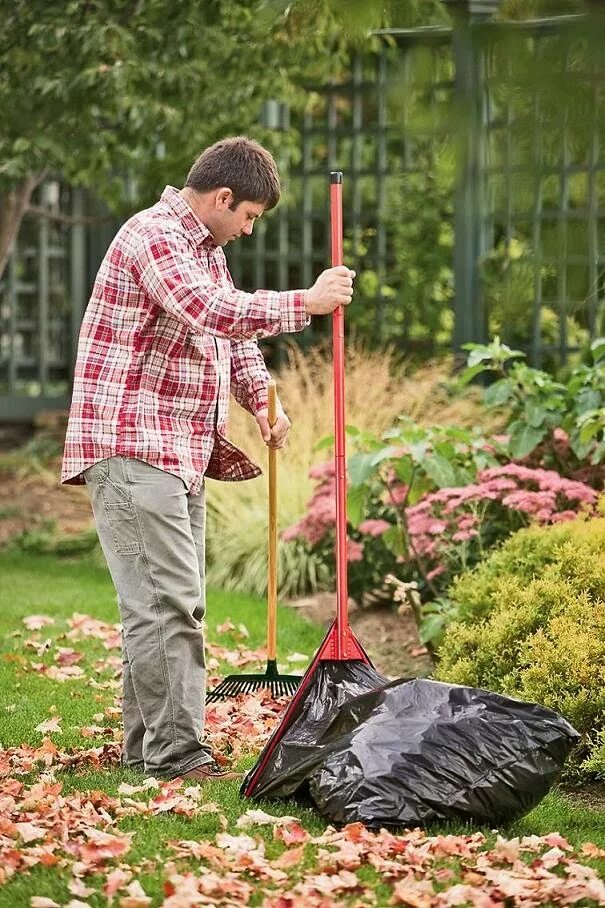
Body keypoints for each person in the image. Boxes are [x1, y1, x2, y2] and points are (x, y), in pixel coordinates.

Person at [61, 136, 354, 782]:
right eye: (248, 216)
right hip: (134, 444)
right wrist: (303, 302)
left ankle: (148, 748)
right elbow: (207, 309)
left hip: (176, 450)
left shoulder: (206, 252)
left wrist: (261, 405)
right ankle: (177, 753)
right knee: (168, 603)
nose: (247, 231)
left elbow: (231, 336)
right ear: (222, 197)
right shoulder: (155, 237)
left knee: (167, 603)